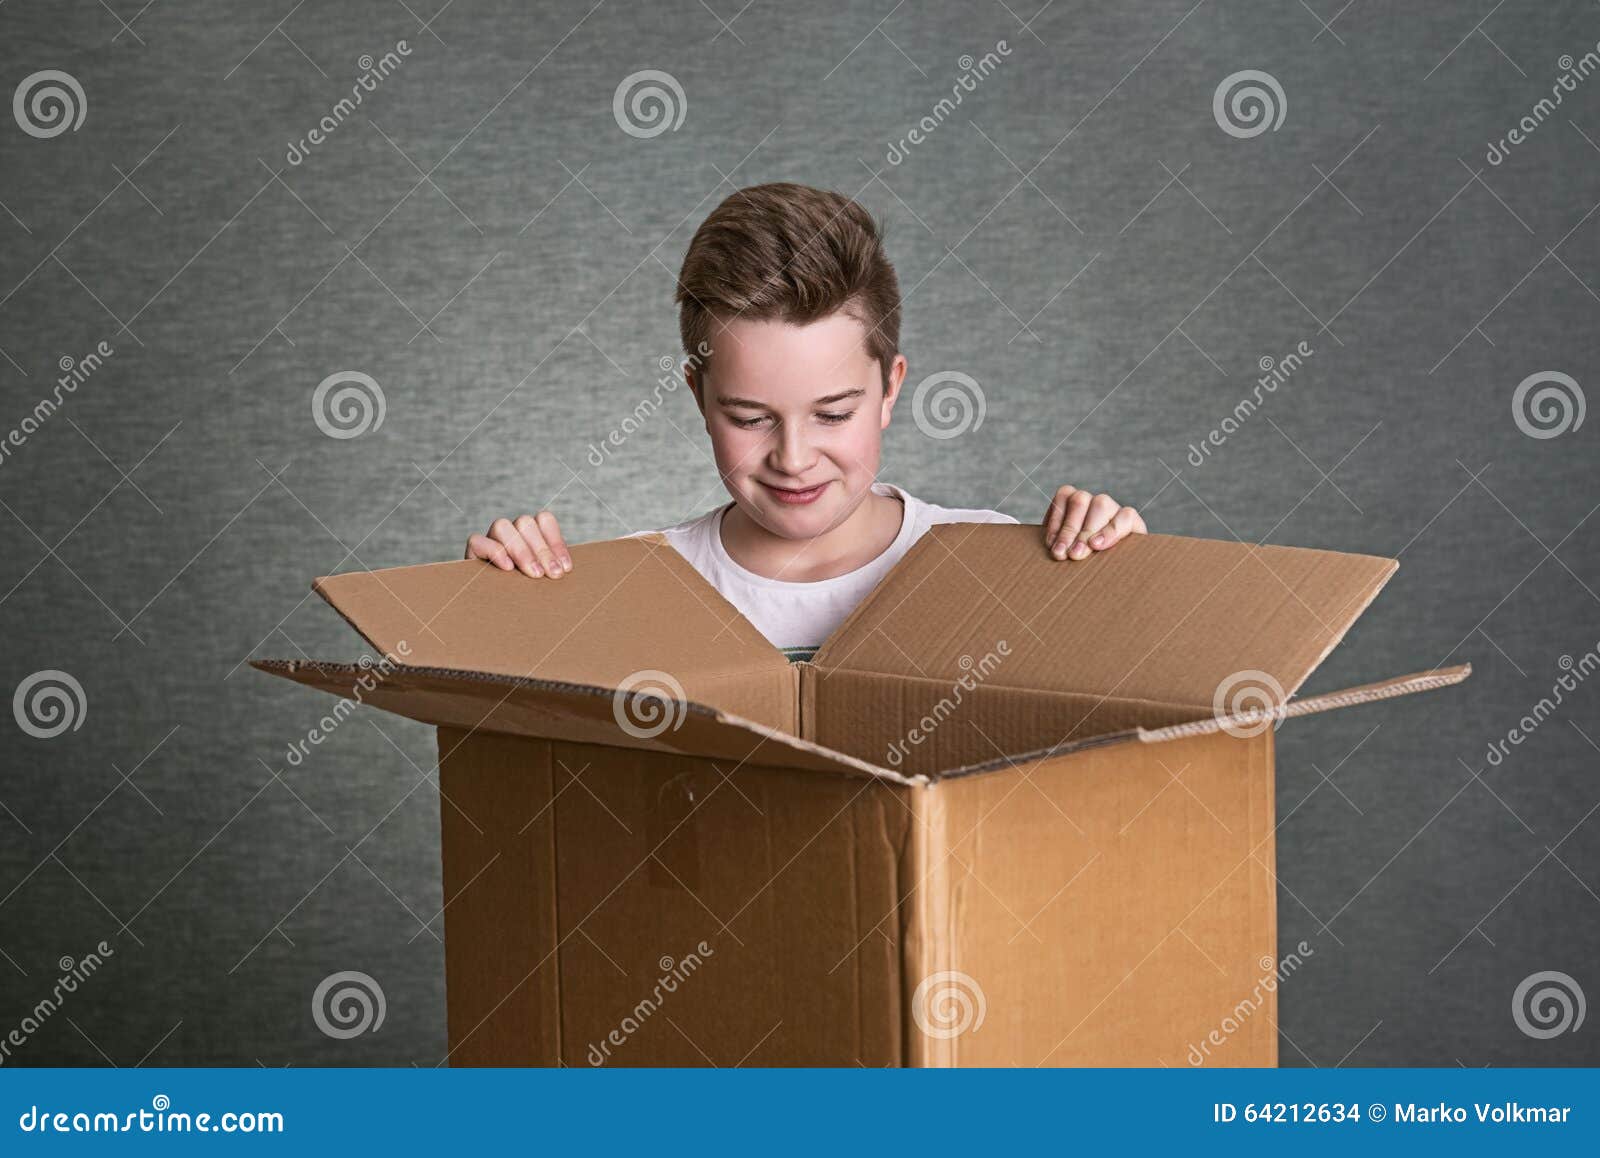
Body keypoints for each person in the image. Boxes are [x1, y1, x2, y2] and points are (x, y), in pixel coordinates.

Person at [466, 182, 1145, 662]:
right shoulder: (631, 592)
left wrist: (1122, 582)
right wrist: (496, 616)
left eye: (833, 413)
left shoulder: (997, 567)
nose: (793, 458)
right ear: (699, 397)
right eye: (752, 417)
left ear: (890, 389)